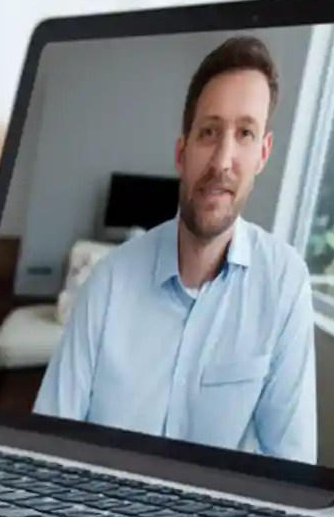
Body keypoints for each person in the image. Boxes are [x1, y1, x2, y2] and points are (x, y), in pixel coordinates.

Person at [33, 36, 317, 463]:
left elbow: (292, 466)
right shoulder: (109, 282)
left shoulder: (284, 283)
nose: (222, 160)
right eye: (209, 132)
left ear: (263, 153)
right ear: (182, 152)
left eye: (244, 133)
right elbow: (47, 450)